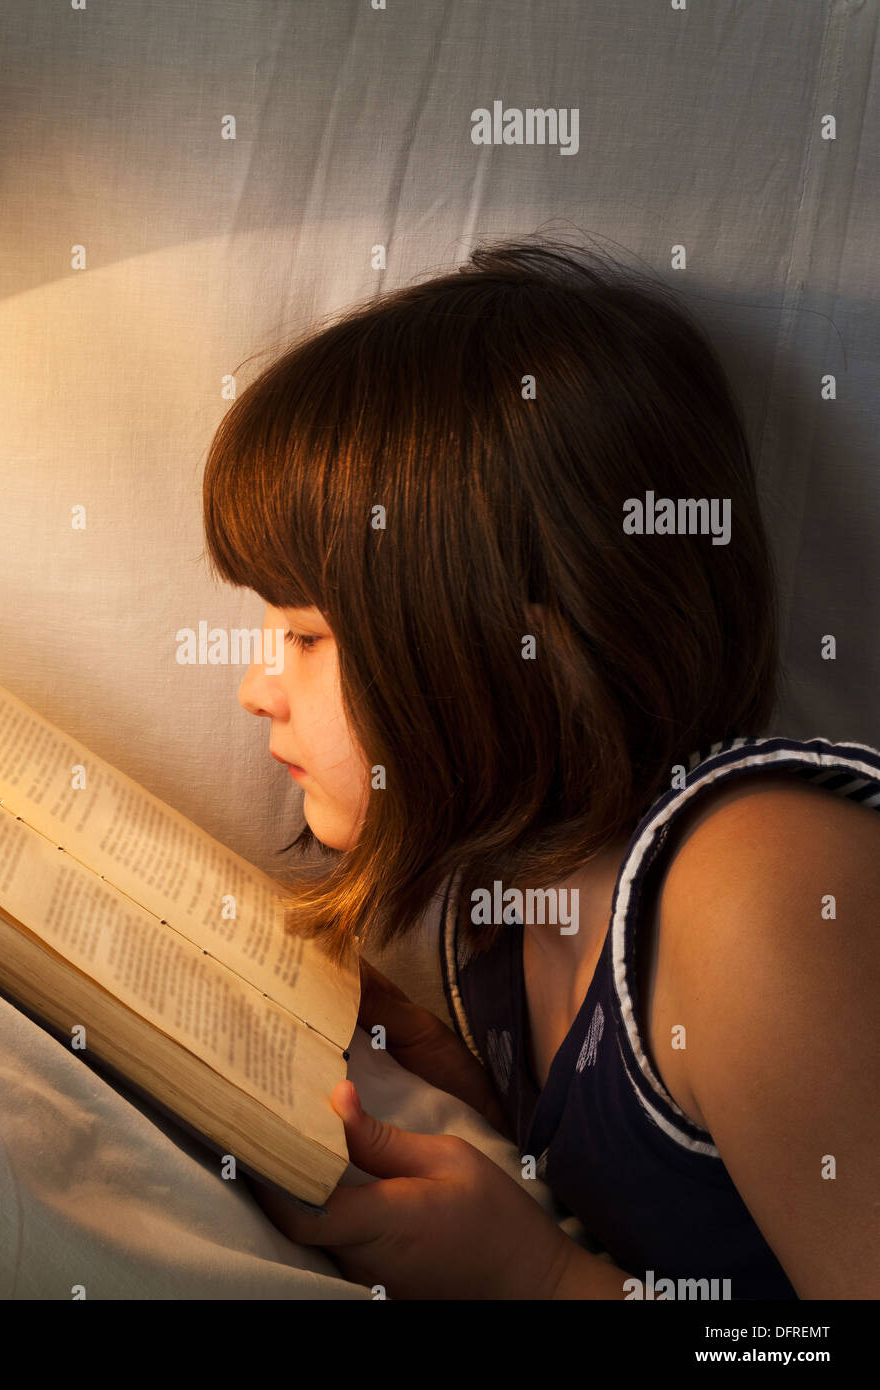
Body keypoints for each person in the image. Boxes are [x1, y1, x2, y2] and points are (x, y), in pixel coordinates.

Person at [200, 233, 880, 1299]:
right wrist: (456, 1078)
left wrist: (543, 1278)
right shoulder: (512, 904)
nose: (255, 686)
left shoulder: (757, 888)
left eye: (305, 637)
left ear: (528, 658)